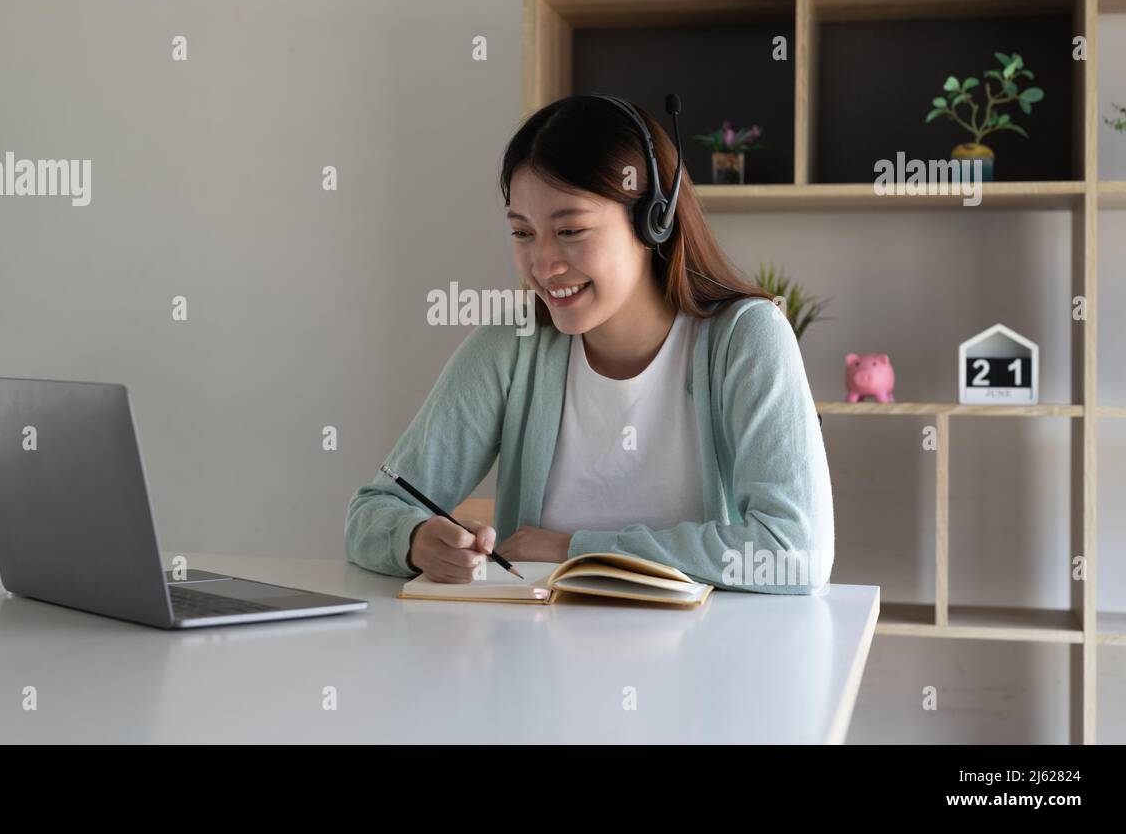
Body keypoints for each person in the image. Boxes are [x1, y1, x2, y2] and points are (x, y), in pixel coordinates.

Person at [345, 95, 834, 594]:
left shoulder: (745, 339)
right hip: (534, 655)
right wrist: (416, 538)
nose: (542, 262)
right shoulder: (511, 348)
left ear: (654, 221)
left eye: (571, 230)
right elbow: (371, 513)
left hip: (701, 659)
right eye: (522, 232)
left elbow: (795, 552)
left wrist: (575, 548)